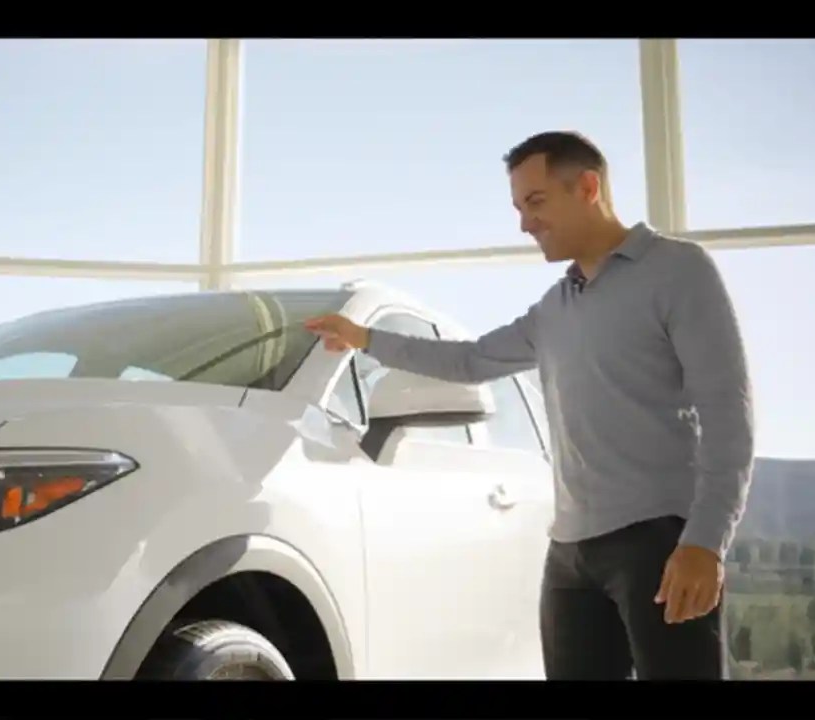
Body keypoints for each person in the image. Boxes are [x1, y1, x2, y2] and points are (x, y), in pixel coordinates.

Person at [304, 130, 755, 680]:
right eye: (518, 207)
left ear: (588, 187)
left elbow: (729, 413)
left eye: (536, 202)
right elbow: (470, 361)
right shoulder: (555, 306)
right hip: (569, 553)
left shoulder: (679, 270)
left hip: (658, 542)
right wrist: (365, 338)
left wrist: (705, 542)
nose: (524, 223)